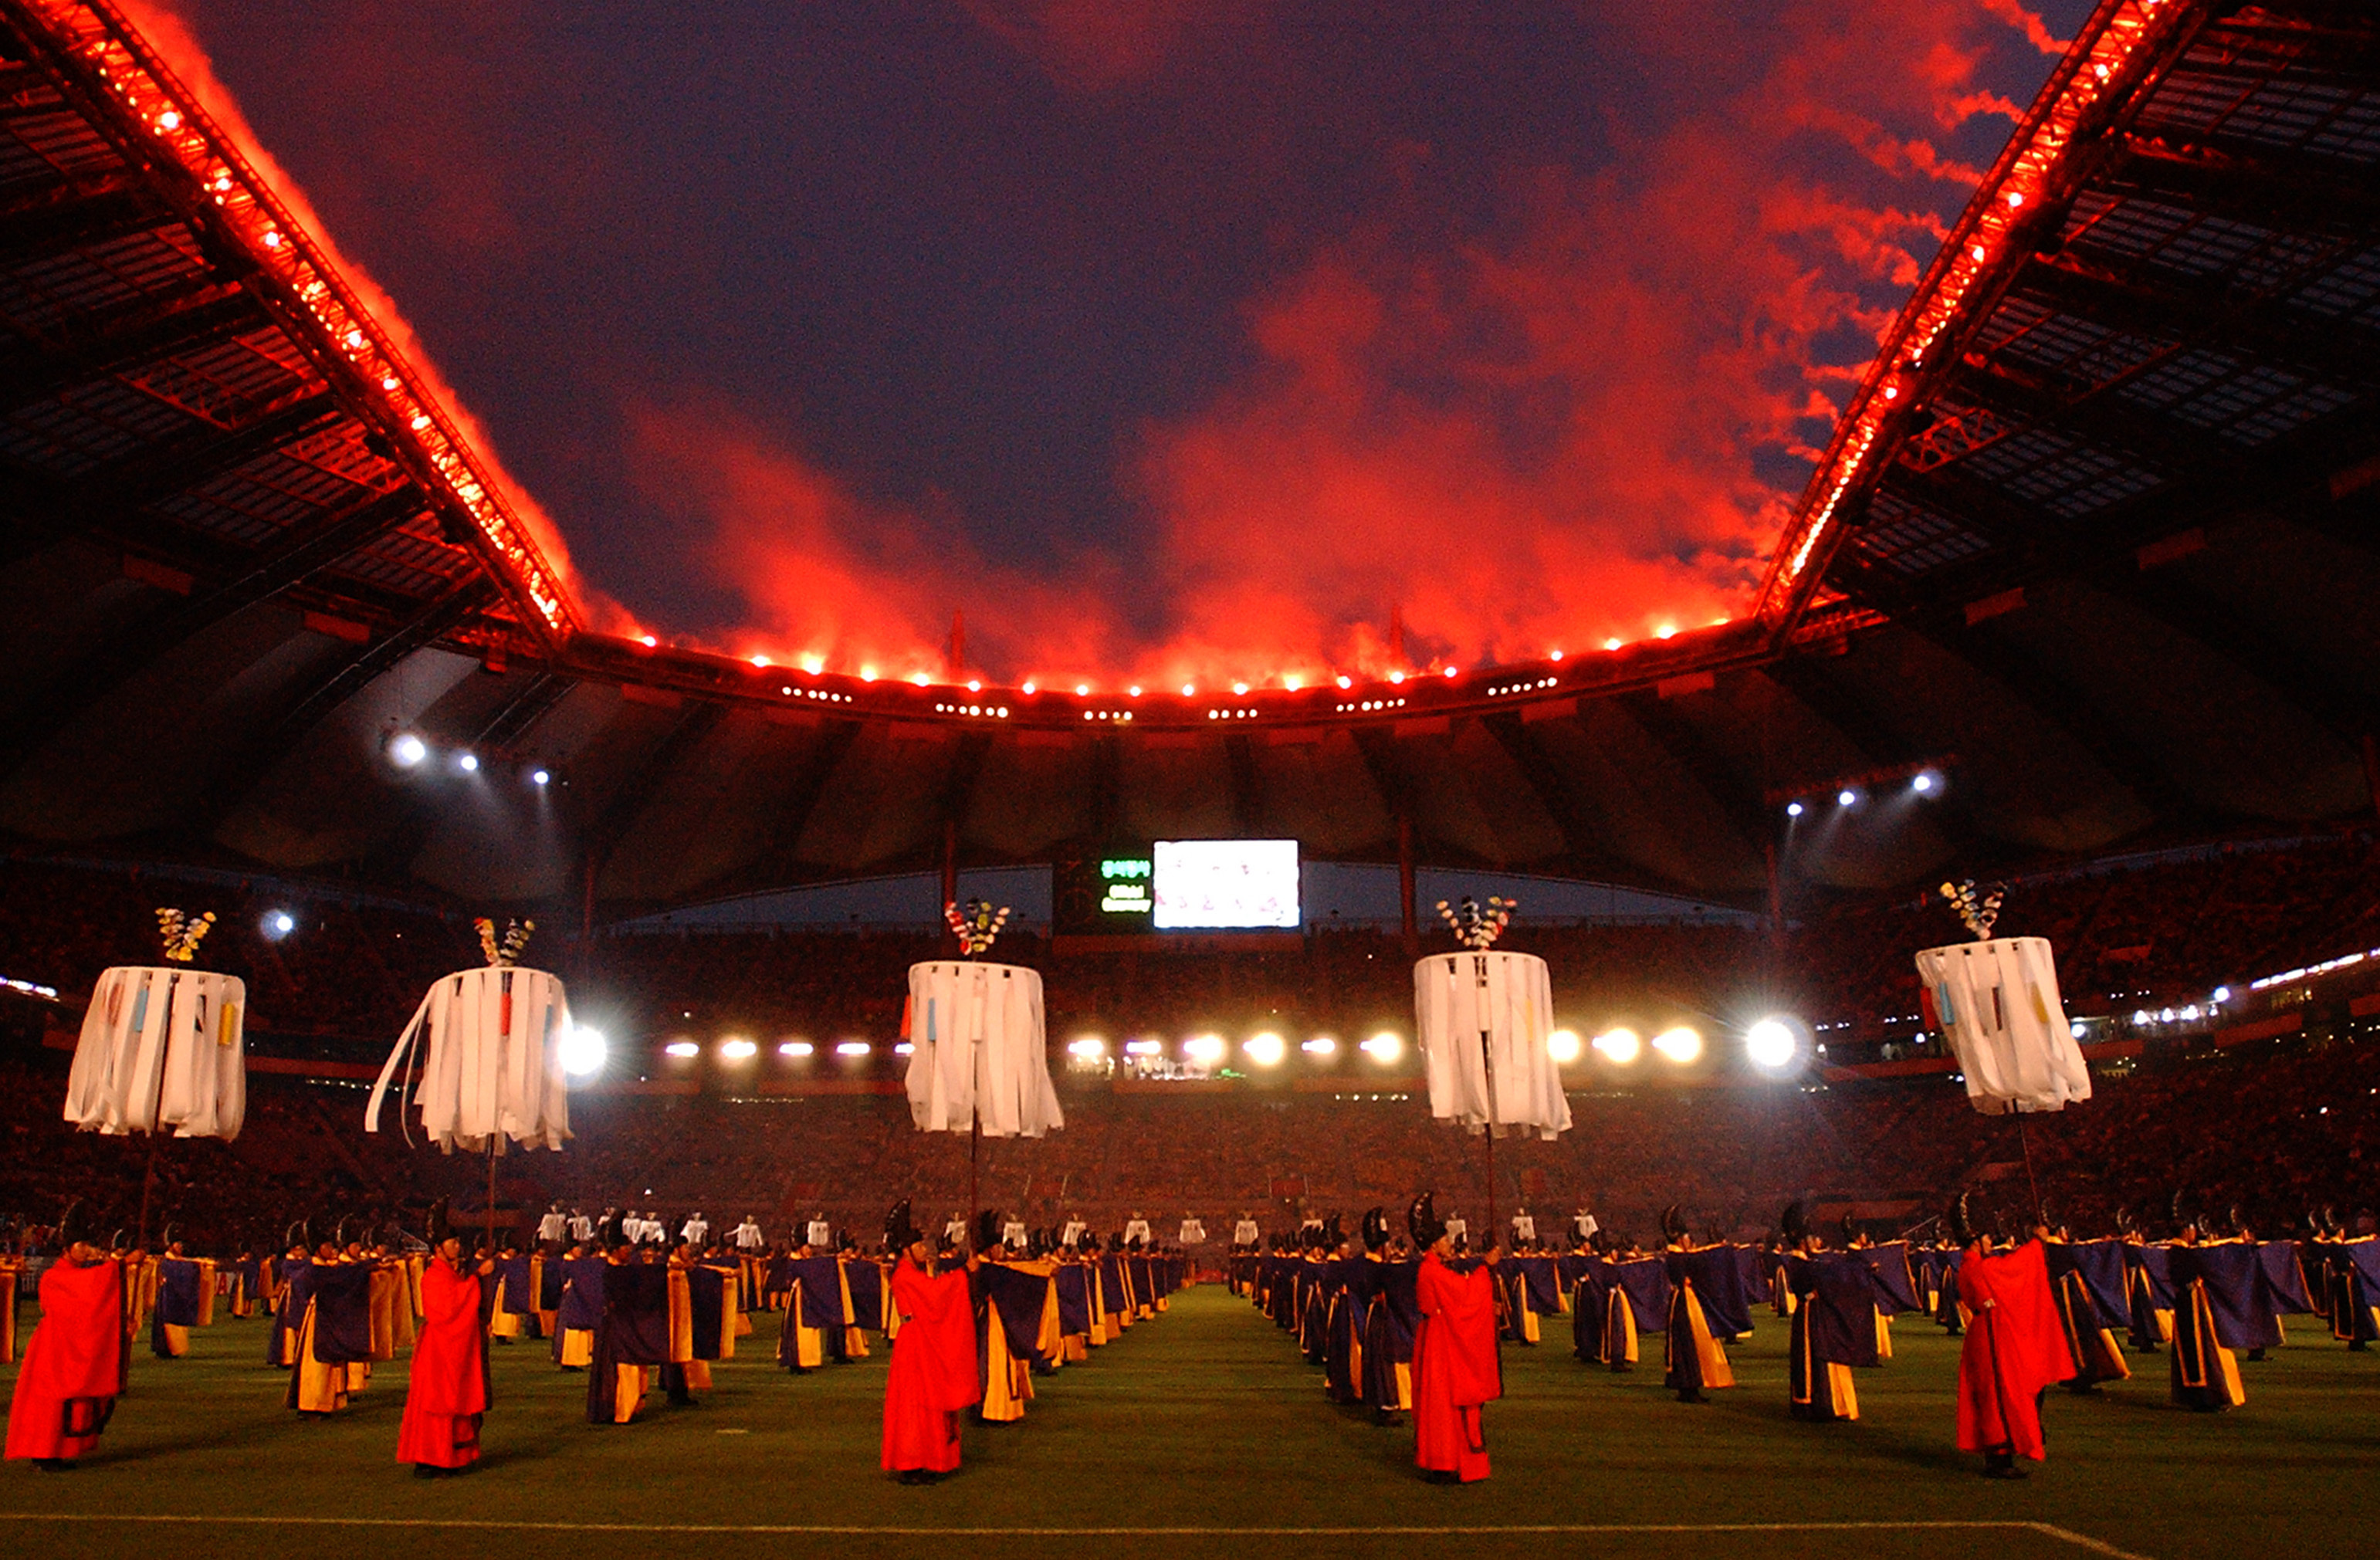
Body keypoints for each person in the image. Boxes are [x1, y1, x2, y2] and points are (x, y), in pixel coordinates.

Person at [1951, 1198, 2074, 1479]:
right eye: (1986, 1238)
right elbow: (2012, 1269)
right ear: (1976, 1240)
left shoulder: (1974, 1265)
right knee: (2000, 1395)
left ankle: (2001, 1454)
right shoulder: (1978, 1267)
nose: (1989, 1243)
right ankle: (1999, 1457)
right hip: (1991, 1335)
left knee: (1998, 1395)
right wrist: (2036, 1244)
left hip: (1988, 1333)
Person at [5, 1202, 127, 1469]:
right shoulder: (54, 1276)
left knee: (57, 1402)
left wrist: (107, 1263)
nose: (85, 1251)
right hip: (53, 1347)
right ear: (66, 1248)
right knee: (49, 1401)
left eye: (87, 1246)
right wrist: (111, 1265)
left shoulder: (73, 1274)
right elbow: (86, 1289)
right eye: (80, 1246)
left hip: (61, 1343)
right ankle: (45, 1452)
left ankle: (54, 1451)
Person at [881, 1200, 980, 1484]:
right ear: (906, 1250)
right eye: (920, 1246)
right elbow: (935, 1295)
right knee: (915, 1403)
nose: (925, 1250)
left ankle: (929, 1458)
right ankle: (911, 1462)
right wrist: (964, 1274)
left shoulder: (911, 1273)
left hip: (920, 1339)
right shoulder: (905, 1275)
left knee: (928, 1400)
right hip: (914, 1344)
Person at [1409, 1191, 1500, 1484]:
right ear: (1435, 1244)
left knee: (1439, 1403)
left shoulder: (1432, 1269)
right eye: (1445, 1240)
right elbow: (1464, 1296)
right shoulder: (1432, 1271)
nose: (1449, 1243)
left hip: (1436, 1338)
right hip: (1441, 1342)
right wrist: (1486, 1267)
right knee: (1445, 1404)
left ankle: (1445, 1459)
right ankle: (1446, 1459)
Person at [398, 1200, 493, 1477]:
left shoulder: (449, 1273)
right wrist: (476, 1278)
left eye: (456, 1242)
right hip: (440, 1349)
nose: (456, 1246)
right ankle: (431, 1457)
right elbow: (447, 1310)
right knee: (437, 1403)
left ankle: (450, 1456)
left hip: (450, 1347)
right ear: (438, 1248)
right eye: (451, 1242)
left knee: (451, 1401)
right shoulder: (433, 1276)